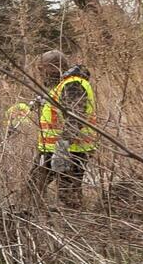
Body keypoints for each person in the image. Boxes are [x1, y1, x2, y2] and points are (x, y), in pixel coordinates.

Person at [35, 48, 97, 207]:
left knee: (68, 195)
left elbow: (76, 118)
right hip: (53, 149)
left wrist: (62, 148)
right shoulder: (62, 84)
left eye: (43, 69)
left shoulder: (73, 84)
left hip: (70, 150)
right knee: (34, 187)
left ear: (54, 67)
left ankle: (79, 226)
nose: (42, 74)